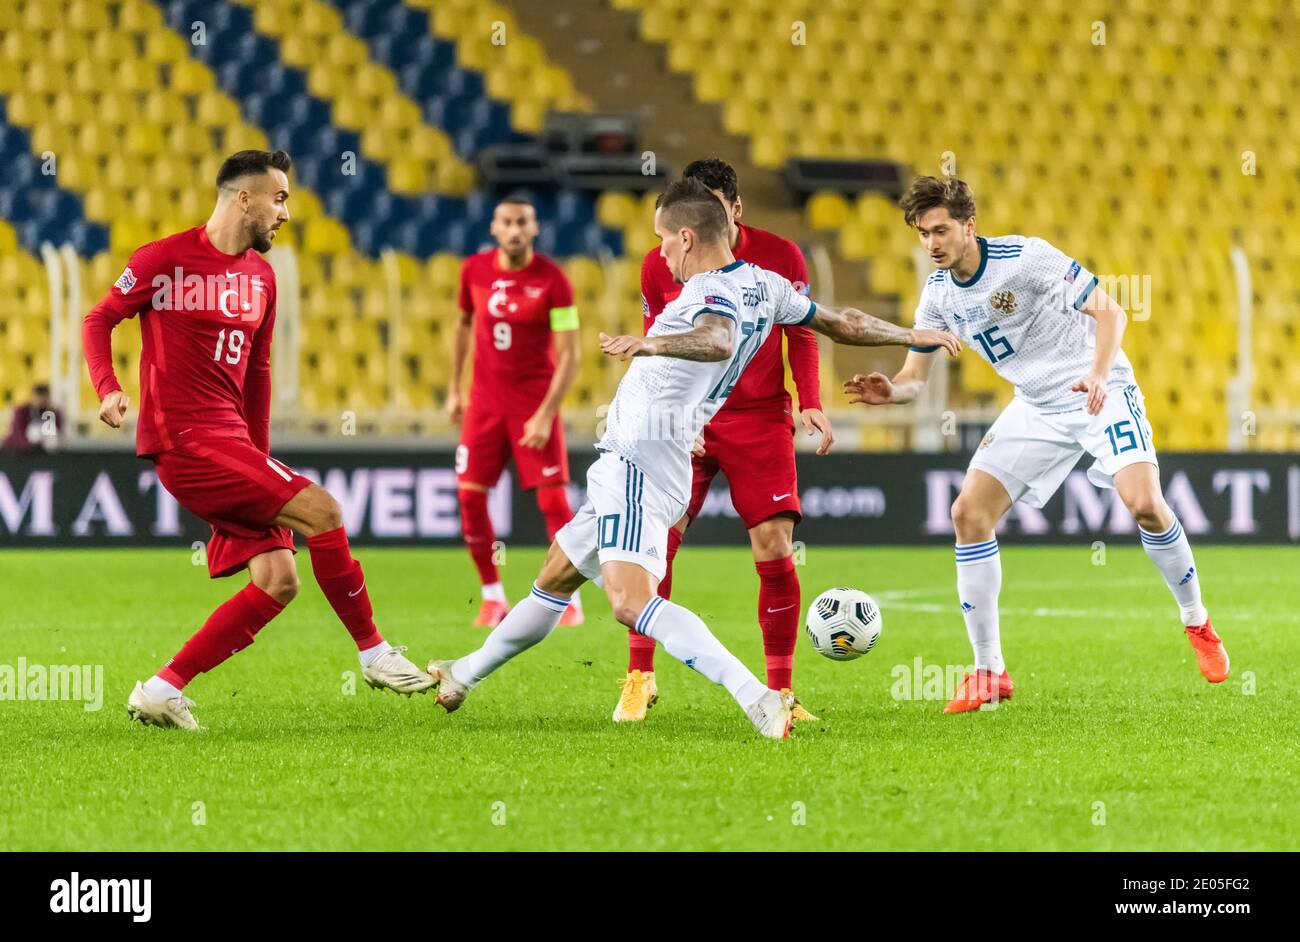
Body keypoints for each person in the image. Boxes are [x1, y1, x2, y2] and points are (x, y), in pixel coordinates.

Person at [425, 178, 959, 737]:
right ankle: (464, 675)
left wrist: (649, 342)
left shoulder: (710, 295)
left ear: (686, 236)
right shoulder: (764, 284)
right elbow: (840, 321)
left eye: (662, 240)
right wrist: (909, 333)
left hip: (641, 461)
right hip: (650, 458)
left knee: (631, 603)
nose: (660, 254)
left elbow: (718, 340)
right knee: (555, 578)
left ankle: (758, 698)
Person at [845, 175, 1228, 713]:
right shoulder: (936, 295)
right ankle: (989, 672)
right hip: (1037, 405)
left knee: (1145, 505)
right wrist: (892, 391)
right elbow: (914, 378)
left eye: (941, 230)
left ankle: (1197, 621)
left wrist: (1097, 375)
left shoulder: (1025, 257)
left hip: (1099, 389)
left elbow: (1111, 312)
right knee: (968, 513)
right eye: (922, 233)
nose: (932, 243)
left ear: (969, 225)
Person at [82, 149, 433, 731]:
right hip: (184, 441)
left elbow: (259, 373)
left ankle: (161, 689)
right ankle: (374, 652)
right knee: (323, 510)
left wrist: (261, 456)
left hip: (234, 444)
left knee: (279, 580)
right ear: (244, 198)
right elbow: (99, 318)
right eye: (280, 198)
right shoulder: (163, 259)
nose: (286, 213)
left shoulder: (262, 276)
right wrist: (107, 387)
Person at [617, 157, 828, 724]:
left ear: (735, 208)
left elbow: (802, 331)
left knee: (776, 546)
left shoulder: (781, 257)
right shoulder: (659, 263)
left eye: (716, 206)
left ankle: (780, 691)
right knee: (655, 540)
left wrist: (810, 400)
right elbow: (658, 340)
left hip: (760, 418)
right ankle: (640, 675)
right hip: (690, 422)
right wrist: (672, 419)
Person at [449, 195, 583, 628]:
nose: (514, 230)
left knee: (554, 501)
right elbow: (463, 325)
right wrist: (454, 388)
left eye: (522, 222)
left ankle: (567, 599)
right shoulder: (473, 271)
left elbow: (570, 355)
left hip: (532, 404)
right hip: (484, 404)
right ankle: (492, 596)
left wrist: (546, 413)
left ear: (534, 227)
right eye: (506, 221)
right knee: (470, 497)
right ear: (494, 226)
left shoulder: (553, 280)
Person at [2, 383, 62, 453]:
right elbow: (18, 434)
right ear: (33, 397)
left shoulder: (53, 413)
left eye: (44, 401)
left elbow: (57, 433)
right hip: (17, 453)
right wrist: (32, 444)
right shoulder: (21, 412)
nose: (41, 403)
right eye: (39, 400)